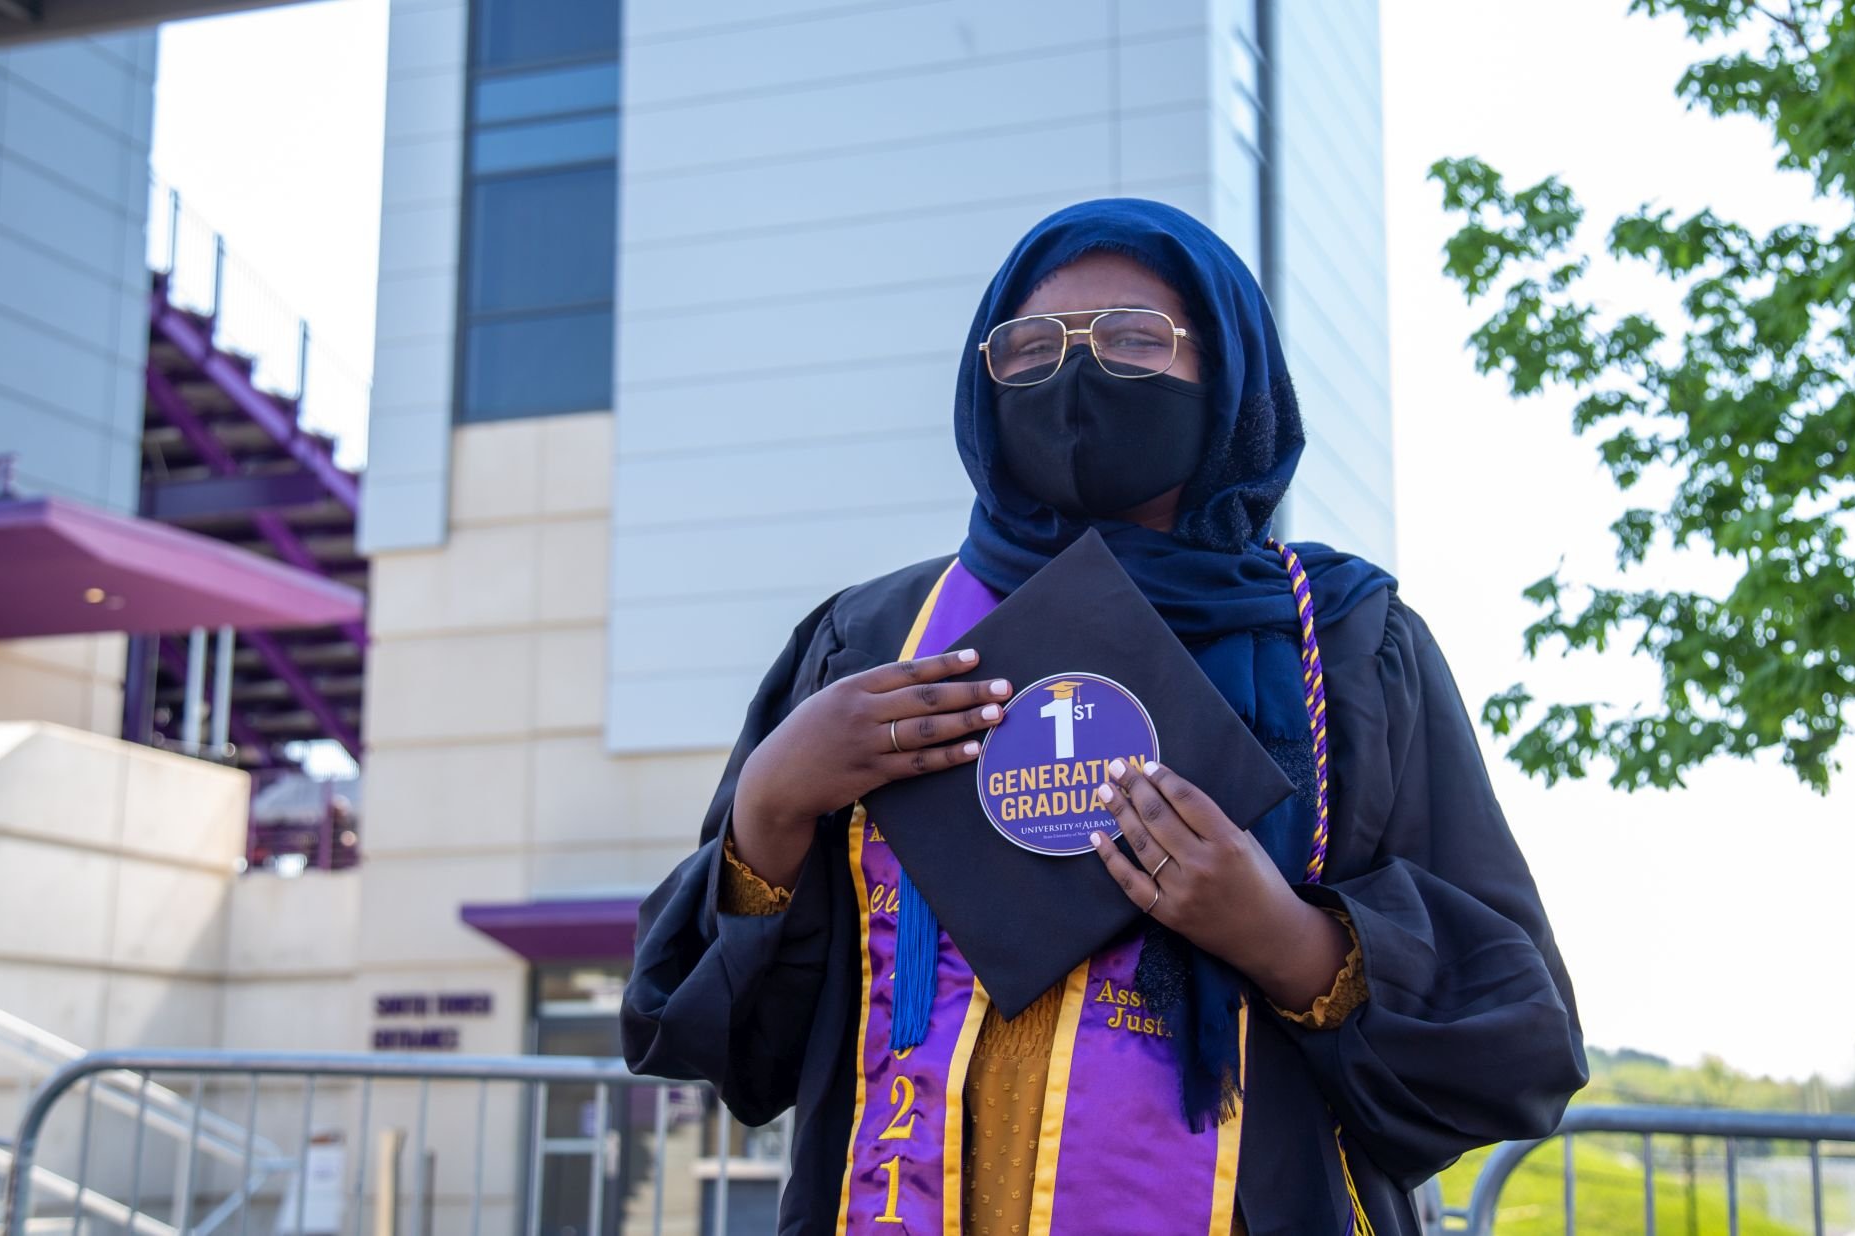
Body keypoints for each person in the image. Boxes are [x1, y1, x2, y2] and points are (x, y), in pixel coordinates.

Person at [621, 198, 1587, 1235]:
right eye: (1028, 347)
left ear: (1226, 376)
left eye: (1133, 340)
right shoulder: (873, 639)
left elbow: (1511, 1044)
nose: (1073, 378)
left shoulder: (1342, 644)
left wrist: (1290, 942)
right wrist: (768, 810)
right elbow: (731, 1050)